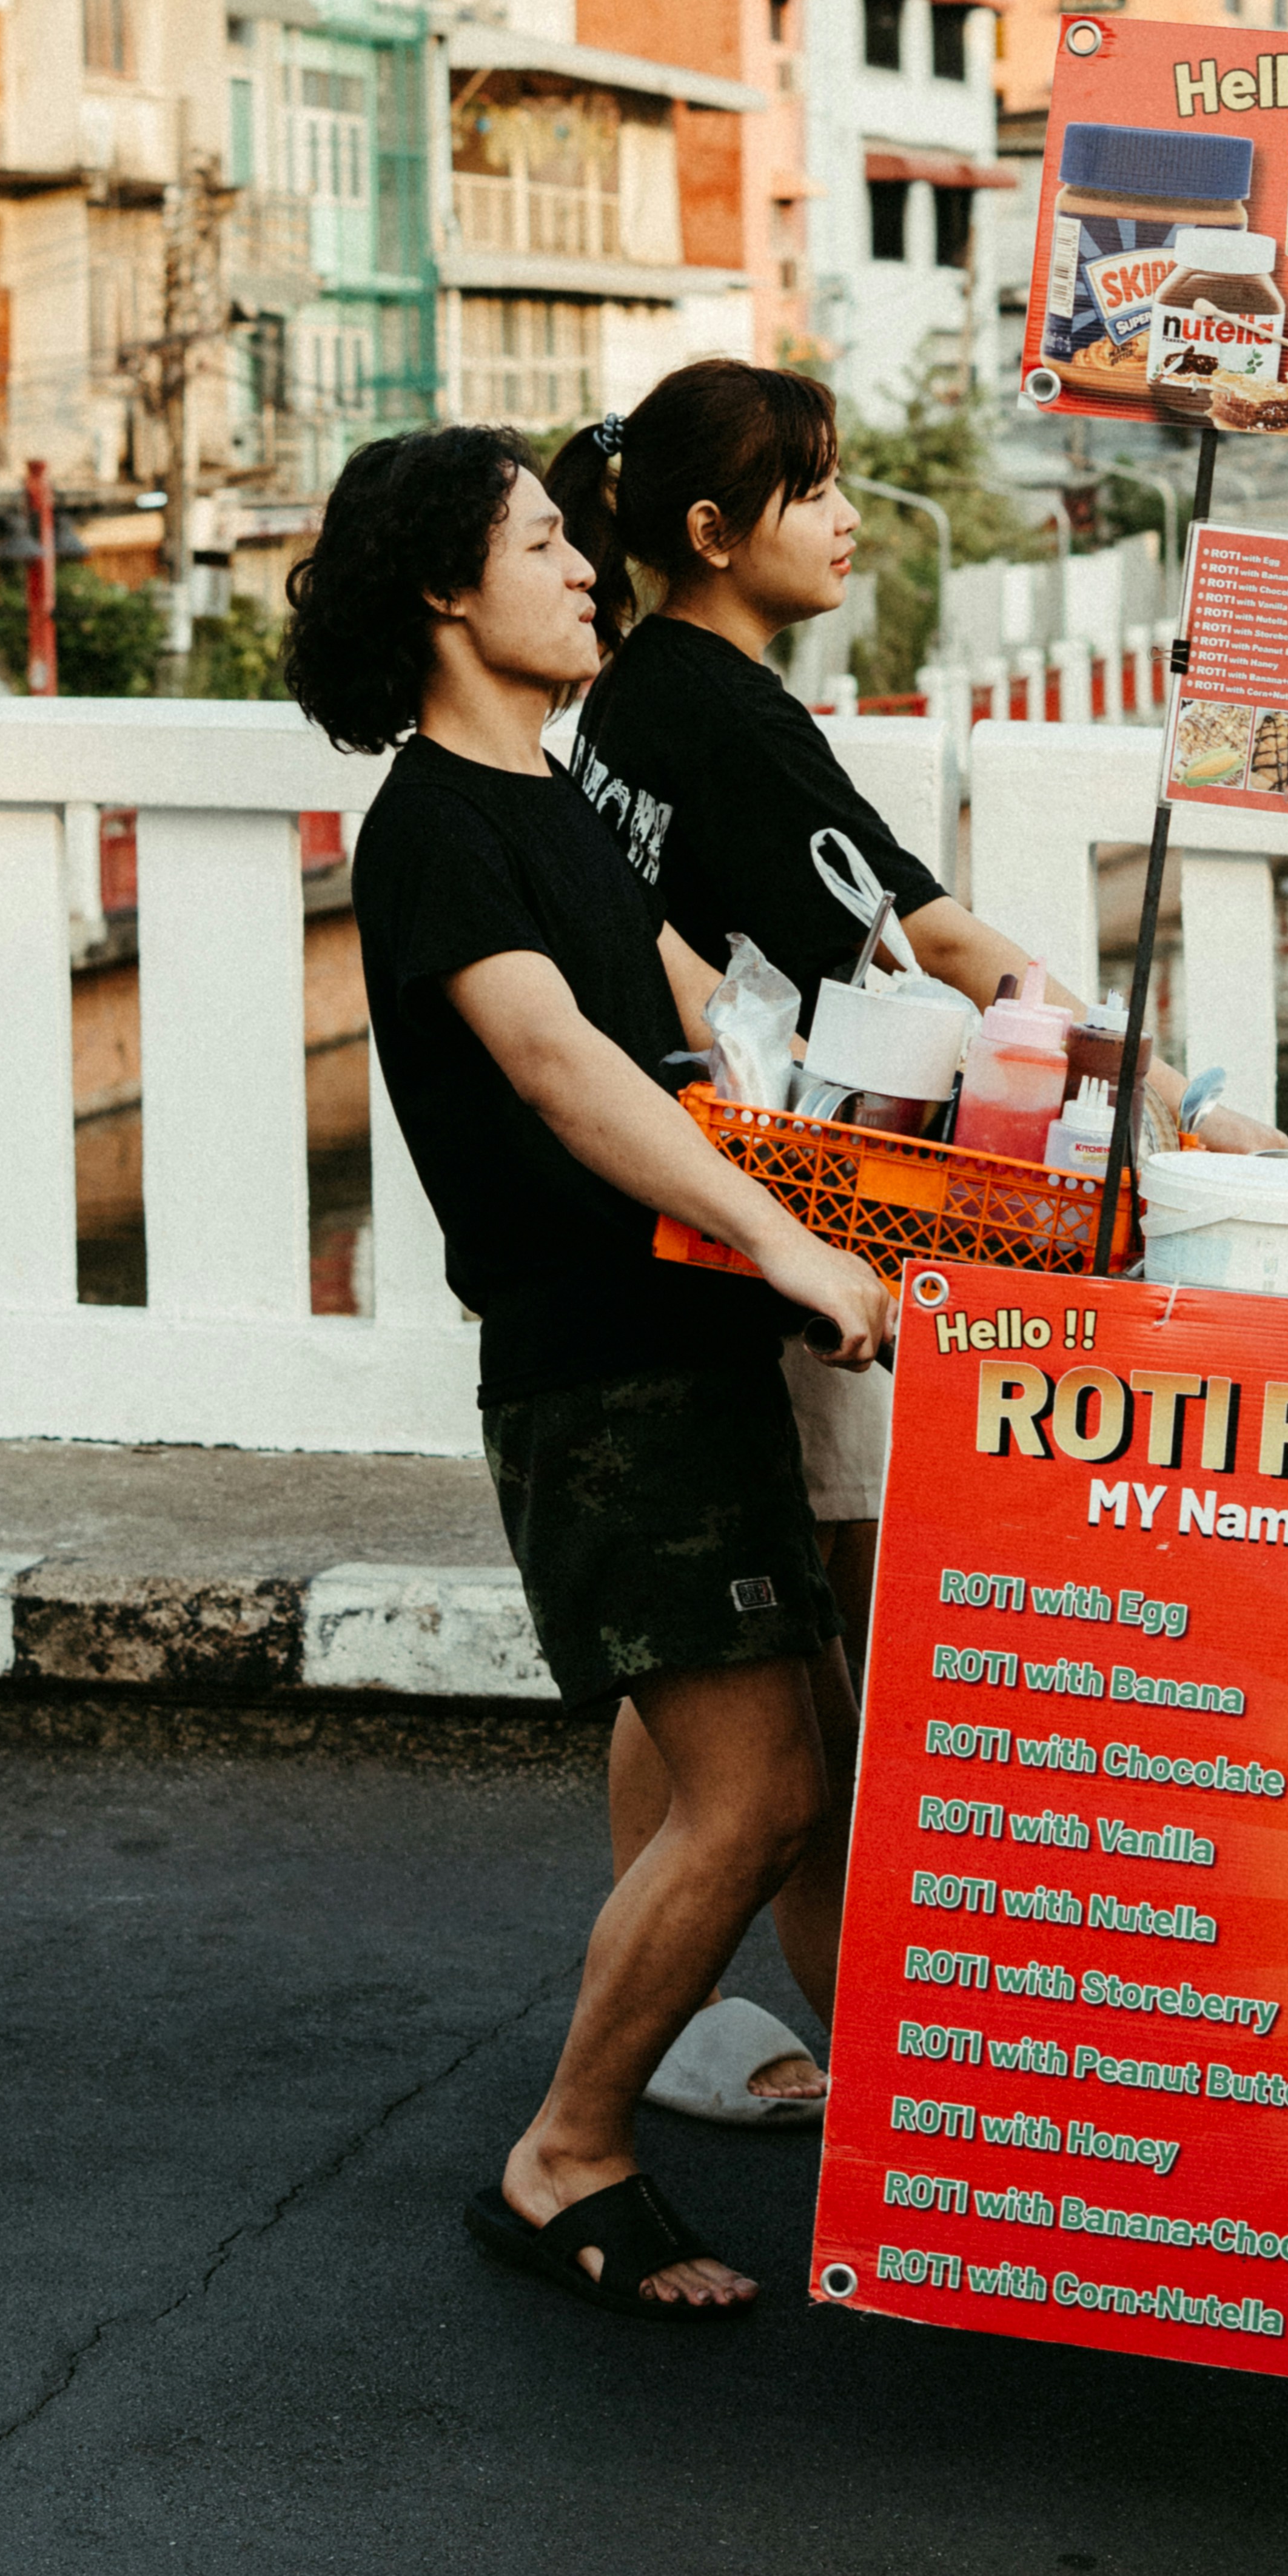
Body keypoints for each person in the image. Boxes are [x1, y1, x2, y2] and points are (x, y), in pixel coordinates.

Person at [549, 358, 1286, 2118]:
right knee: (833, 1689)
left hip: (678, 1206)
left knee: (698, 1662)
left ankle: (655, 1991)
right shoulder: (723, 713)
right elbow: (938, 949)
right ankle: (901, 2101)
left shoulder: (631, 703)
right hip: (785, 1222)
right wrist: (1168, 1092)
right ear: (714, 534)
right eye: (814, 489)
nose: (851, 516)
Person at [285, 422, 893, 2320]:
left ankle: (870, 2125)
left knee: (808, 1774)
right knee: (754, 1794)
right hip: (601, 1375)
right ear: (447, 593)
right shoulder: (434, 831)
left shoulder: (549, 797)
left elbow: (704, 1043)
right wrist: (789, 1242)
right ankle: (569, 2154)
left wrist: (856, 1167)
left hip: (685, 1343)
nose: (584, 569)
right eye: (544, 543)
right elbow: (566, 1072)